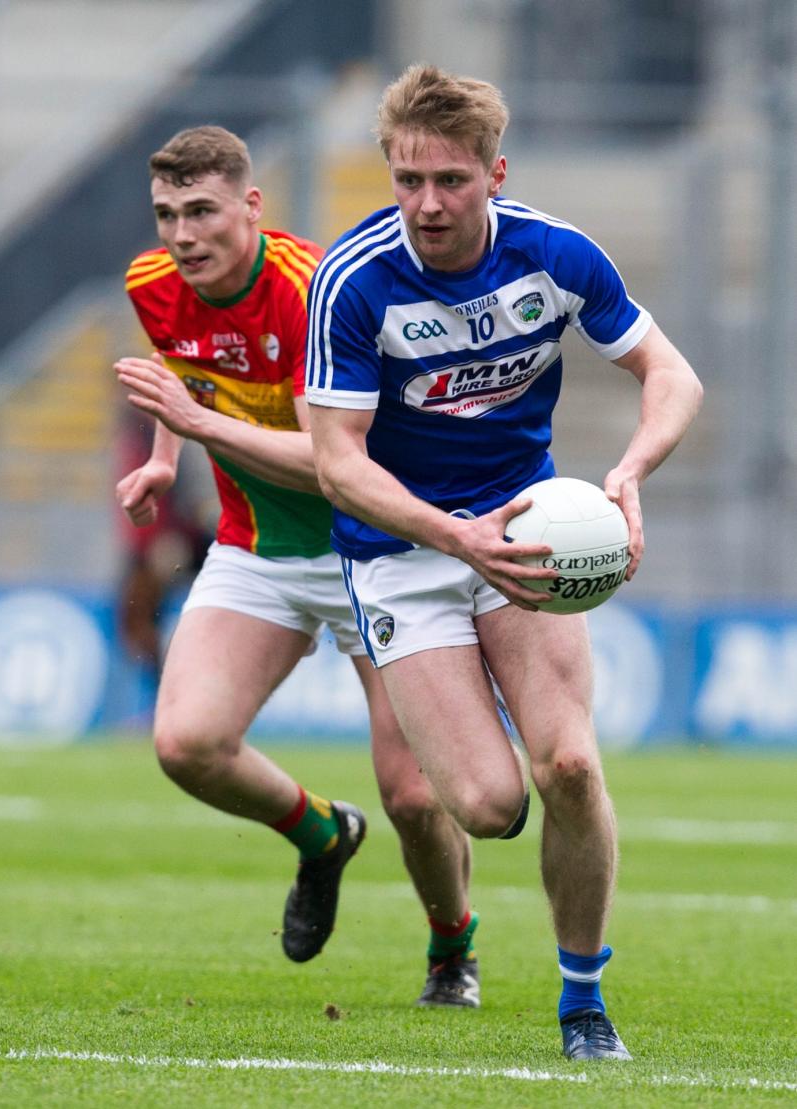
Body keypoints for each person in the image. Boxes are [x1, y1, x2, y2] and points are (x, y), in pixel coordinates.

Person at [305, 65, 703, 1060]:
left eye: (450, 180)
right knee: (487, 805)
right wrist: (453, 536)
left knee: (568, 762)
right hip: (400, 553)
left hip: (524, 528)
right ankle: (458, 925)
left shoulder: (554, 255)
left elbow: (670, 374)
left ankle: (583, 1004)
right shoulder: (352, 282)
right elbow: (338, 465)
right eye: (406, 180)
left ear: (495, 173)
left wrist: (628, 472)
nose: (426, 204)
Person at [114, 125, 485, 1000]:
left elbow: (332, 464)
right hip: (259, 548)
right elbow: (183, 370)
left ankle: (451, 946)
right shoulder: (152, 282)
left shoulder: (314, 291)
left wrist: (197, 425)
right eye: (167, 214)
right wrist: (167, 456)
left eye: (201, 211)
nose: (182, 235)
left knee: (414, 797)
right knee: (186, 743)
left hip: (374, 551)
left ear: (252, 205)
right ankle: (323, 836)